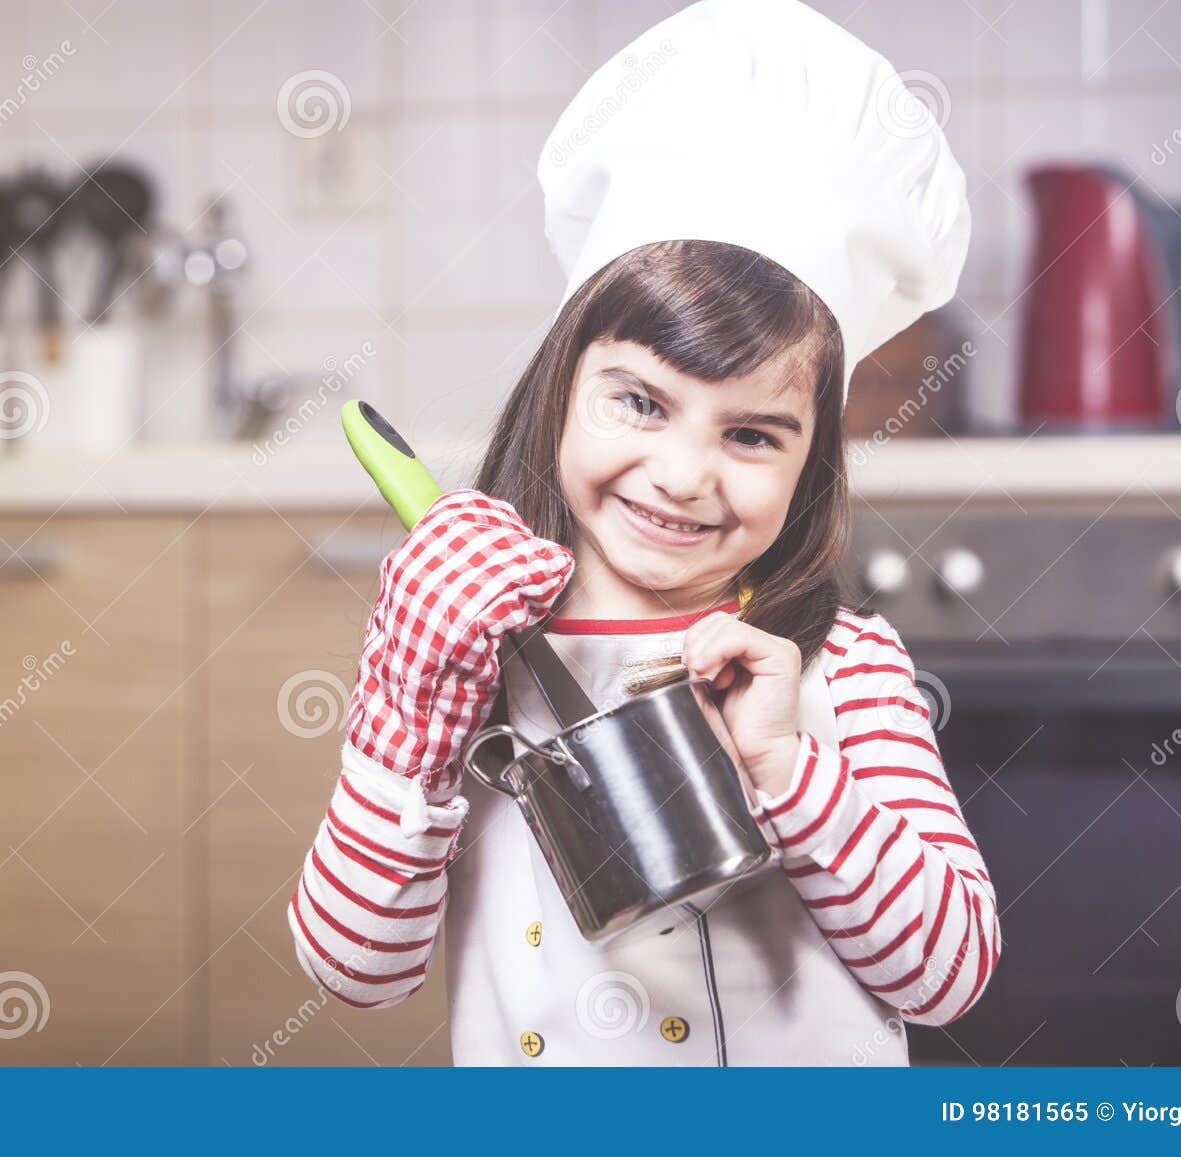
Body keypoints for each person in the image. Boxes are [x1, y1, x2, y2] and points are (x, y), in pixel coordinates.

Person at [287, 0, 999, 1065]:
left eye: (753, 432)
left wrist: (783, 763)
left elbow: (946, 979)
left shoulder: (841, 669)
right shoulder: (464, 659)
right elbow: (355, 970)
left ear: (812, 464)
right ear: (557, 392)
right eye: (640, 402)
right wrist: (412, 700)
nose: (682, 473)